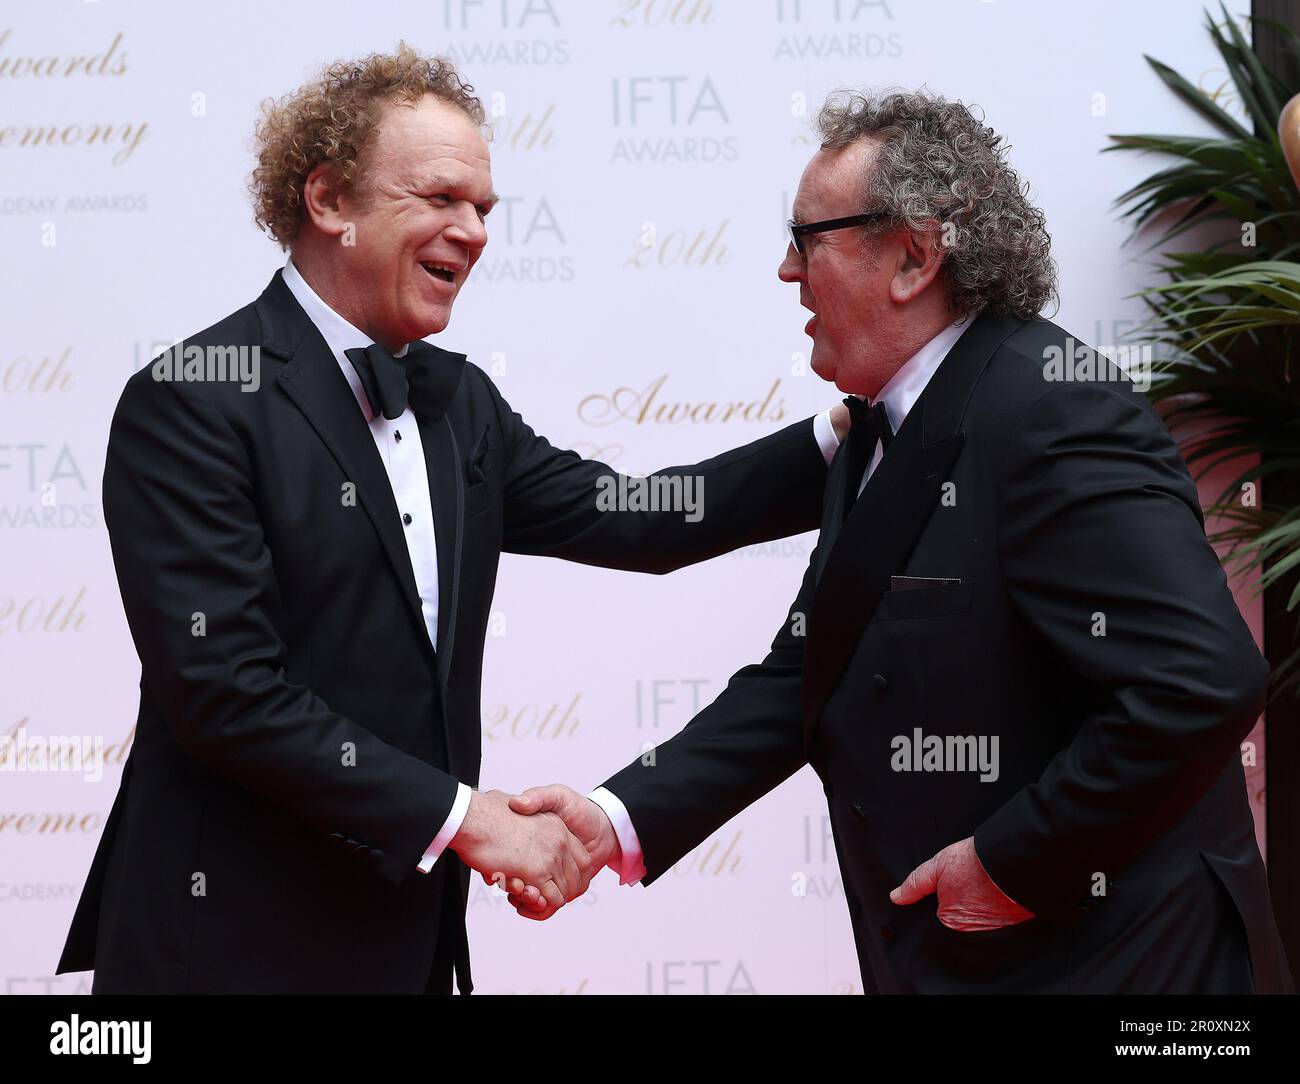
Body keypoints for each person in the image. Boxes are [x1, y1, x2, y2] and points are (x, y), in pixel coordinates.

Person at [54, 46, 846, 994]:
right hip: (224, 943)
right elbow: (226, 694)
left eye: (484, 208)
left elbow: (641, 519)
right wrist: (470, 819)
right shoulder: (194, 398)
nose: (471, 231)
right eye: (440, 197)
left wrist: (857, 428)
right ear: (329, 201)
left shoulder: (457, 401)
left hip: (406, 942)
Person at [506, 89, 1295, 994]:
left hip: (1130, 973)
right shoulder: (887, 419)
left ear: (915, 255)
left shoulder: (1051, 412)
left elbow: (1203, 682)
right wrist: (614, 820)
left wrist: (1013, 863)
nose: (784, 271)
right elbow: (806, 674)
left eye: (807, 239)